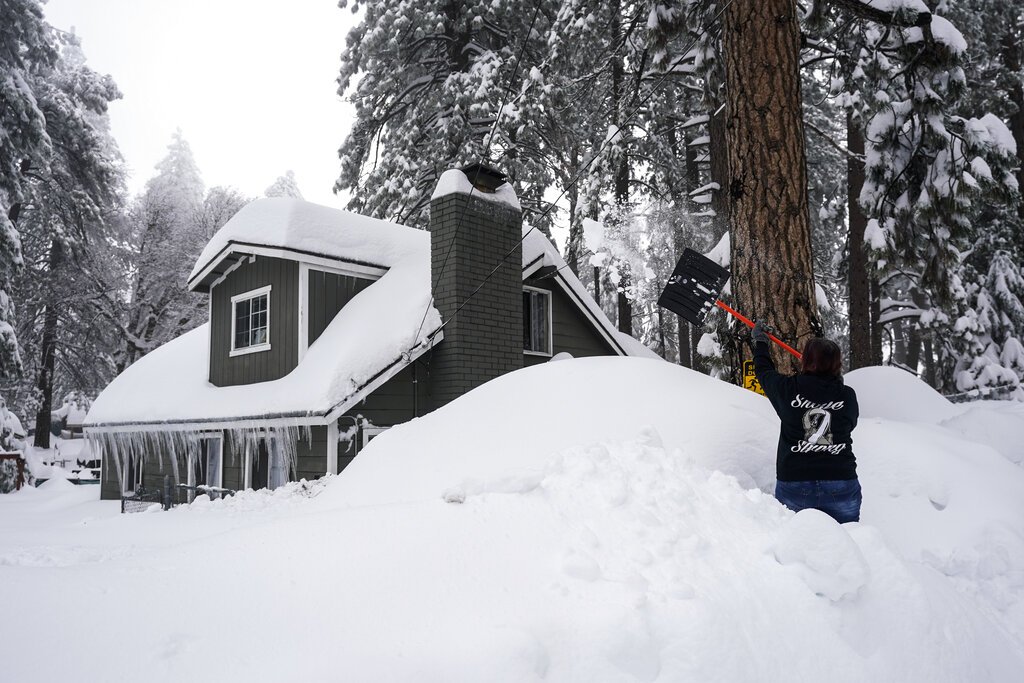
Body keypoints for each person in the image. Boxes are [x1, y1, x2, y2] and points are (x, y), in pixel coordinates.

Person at [752, 322, 861, 523]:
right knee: (847, 544)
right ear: (837, 365)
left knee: (798, 546)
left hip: (795, 483)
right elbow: (850, 423)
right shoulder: (847, 395)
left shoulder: (787, 390)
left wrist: (761, 342)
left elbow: (764, 372)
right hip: (841, 483)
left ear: (806, 361)